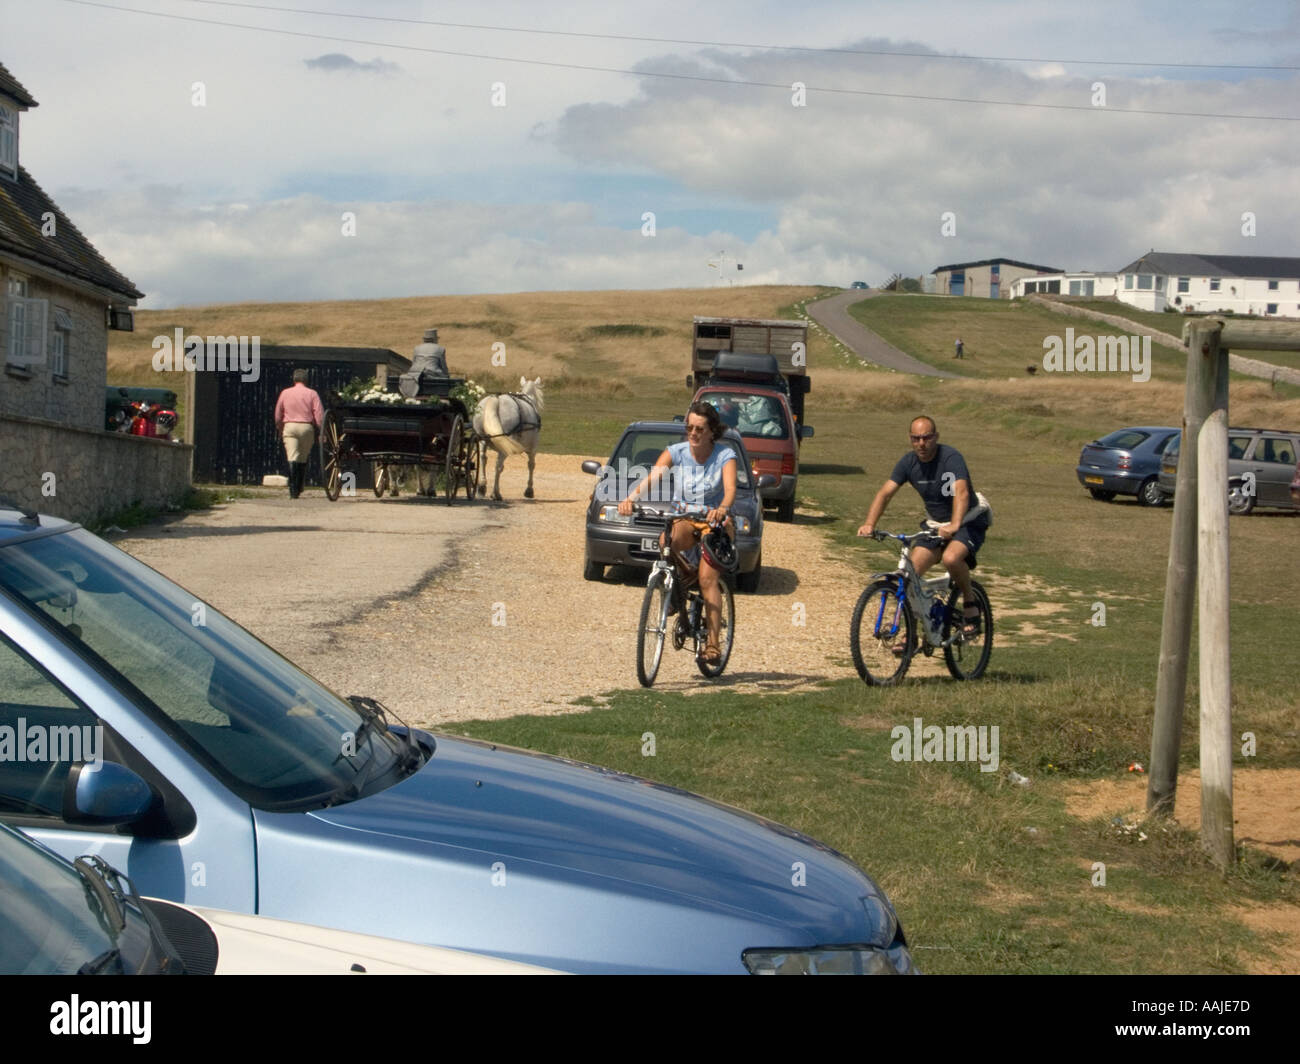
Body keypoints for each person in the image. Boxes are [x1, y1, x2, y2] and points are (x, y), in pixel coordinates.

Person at [618, 402, 737, 664]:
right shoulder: (676, 452)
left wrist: (722, 509)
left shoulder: (725, 455)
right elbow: (653, 477)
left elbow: (730, 490)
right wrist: (630, 499)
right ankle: (677, 590)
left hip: (712, 523)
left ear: (711, 431)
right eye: (689, 428)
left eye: (699, 429)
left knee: (708, 581)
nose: (693, 433)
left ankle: (713, 645)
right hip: (684, 517)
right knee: (666, 542)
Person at [857, 415, 989, 642]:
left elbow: (962, 492)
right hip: (936, 525)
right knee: (910, 575)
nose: (921, 443)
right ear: (910, 439)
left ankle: (970, 601)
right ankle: (913, 632)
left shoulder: (950, 458)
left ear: (935, 437)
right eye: (916, 438)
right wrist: (870, 524)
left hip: (967, 519)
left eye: (926, 437)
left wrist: (955, 524)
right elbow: (885, 493)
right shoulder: (908, 463)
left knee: (951, 558)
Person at [274, 368, 324, 499]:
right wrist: (322, 431)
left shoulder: (285, 393)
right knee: (303, 457)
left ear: (294, 379)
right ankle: (299, 486)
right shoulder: (312, 394)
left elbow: (278, 414)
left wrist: (280, 427)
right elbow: (318, 415)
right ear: (306, 380)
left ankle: (293, 489)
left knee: (292, 456)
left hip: (290, 426)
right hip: (306, 427)